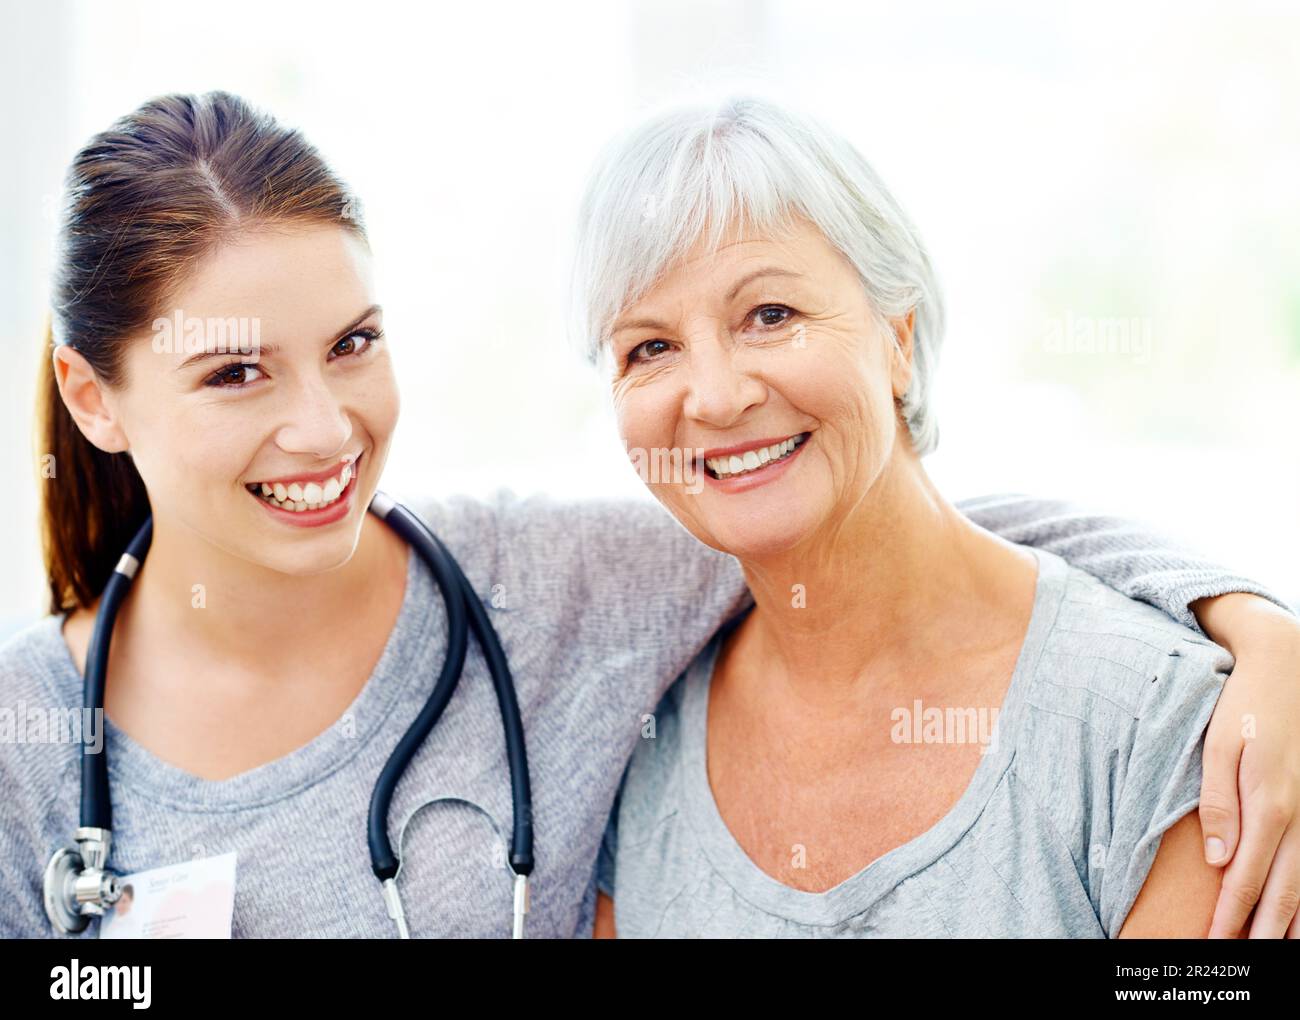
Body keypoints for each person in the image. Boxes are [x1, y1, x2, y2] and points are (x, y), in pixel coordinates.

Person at [0, 92, 1293, 939]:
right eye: (236, 372)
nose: (325, 429)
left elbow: (883, 524)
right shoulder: (27, 746)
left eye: (353, 343)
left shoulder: (551, 593)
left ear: (899, 334)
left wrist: (1257, 622)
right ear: (92, 397)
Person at [581, 96, 1300, 938]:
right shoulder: (644, 743)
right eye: (649, 348)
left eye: (770, 315)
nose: (714, 395)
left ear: (896, 333)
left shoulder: (1166, 728)